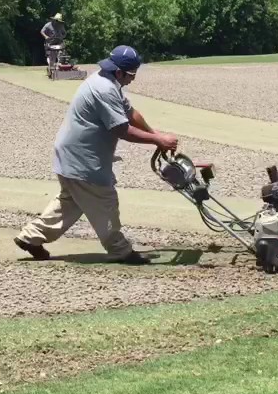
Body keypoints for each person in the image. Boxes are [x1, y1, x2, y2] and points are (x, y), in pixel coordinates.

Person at [15, 45, 179, 265]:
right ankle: (120, 250)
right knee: (105, 201)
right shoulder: (104, 89)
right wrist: (158, 141)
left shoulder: (106, 81)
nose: (133, 79)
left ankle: (30, 237)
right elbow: (121, 129)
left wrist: (155, 135)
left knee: (70, 203)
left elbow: (131, 113)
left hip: (70, 157)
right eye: (131, 75)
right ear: (119, 71)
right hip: (84, 161)